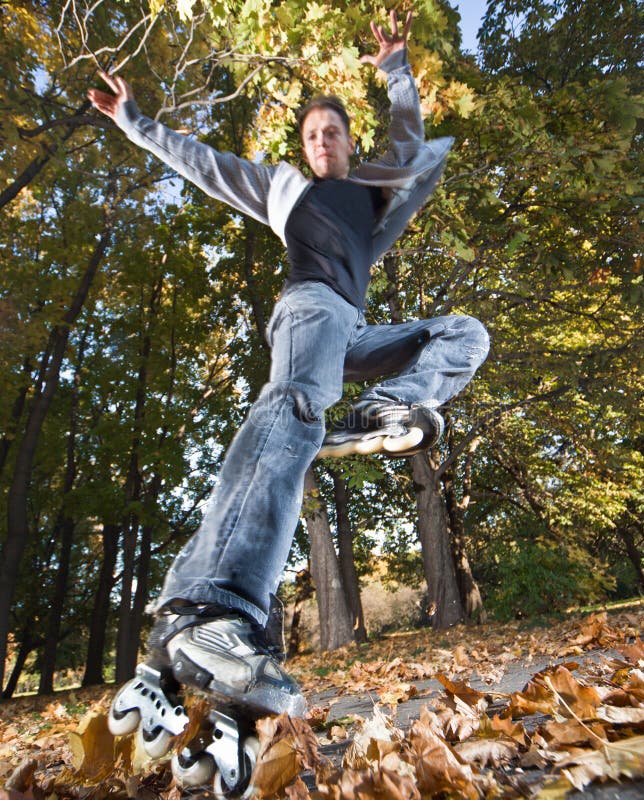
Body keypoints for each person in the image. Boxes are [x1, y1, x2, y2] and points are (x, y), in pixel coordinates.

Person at [89, 8, 489, 720]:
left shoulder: (369, 192)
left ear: (347, 140)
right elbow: (204, 164)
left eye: (332, 131)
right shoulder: (285, 191)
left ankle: (384, 406)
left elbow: (409, 140)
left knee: (461, 333)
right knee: (292, 412)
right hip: (309, 310)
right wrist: (134, 122)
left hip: (354, 333)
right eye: (311, 135)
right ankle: (215, 611)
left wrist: (397, 69)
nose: (323, 140)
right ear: (304, 150)